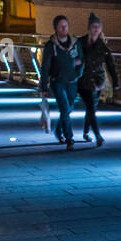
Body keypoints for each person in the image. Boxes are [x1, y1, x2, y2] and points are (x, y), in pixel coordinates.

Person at [38, 14, 84, 150]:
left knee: (68, 109)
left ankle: (58, 131)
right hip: (57, 81)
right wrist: (43, 86)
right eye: (61, 26)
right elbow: (45, 66)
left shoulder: (75, 44)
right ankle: (69, 139)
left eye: (66, 25)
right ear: (56, 28)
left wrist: (77, 74)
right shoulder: (51, 46)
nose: (64, 28)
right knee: (65, 108)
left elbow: (82, 61)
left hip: (72, 81)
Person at [76, 12, 118, 146]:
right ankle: (98, 136)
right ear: (89, 28)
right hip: (83, 81)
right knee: (90, 107)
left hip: (98, 82)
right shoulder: (80, 43)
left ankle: (86, 132)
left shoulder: (103, 46)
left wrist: (116, 81)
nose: (95, 29)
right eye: (93, 26)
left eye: (98, 27)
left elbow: (111, 65)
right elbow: (72, 57)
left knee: (91, 109)